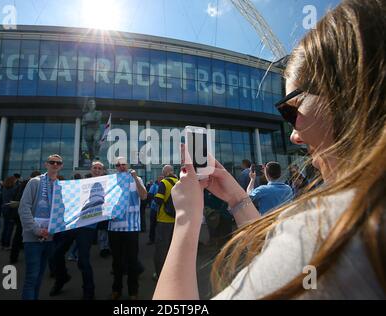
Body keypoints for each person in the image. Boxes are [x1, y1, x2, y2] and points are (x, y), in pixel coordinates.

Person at [153, 0, 386, 300]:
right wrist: (238, 199)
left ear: (347, 93)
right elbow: (275, 260)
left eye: (291, 110)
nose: (294, 136)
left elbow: (293, 259)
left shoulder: (331, 232)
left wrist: (187, 218)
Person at [50, 161, 105, 300]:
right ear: (91, 169)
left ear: (102, 171)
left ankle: (89, 291)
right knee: (56, 254)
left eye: (99, 168)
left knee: (83, 260)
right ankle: (62, 278)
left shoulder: (106, 184)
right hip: (73, 224)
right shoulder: (82, 183)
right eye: (95, 168)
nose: (97, 170)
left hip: (88, 227)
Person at [18, 154, 63, 300]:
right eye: (52, 162)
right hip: (33, 238)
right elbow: (24, 208)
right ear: (46, 164)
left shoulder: (60, 185)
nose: (55, 164)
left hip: (49, 238)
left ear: (61, 166)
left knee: (39, 278)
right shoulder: (35, 182)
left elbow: (62, 211)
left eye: (58, 163)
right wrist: (36, 230)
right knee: (31, 277)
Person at [108, 157, 147, 300]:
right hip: (114, 227)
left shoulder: (136, 179)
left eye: (123, 164)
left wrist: (136, 178)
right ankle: (116, 290)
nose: (121, 167)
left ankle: (133, 292)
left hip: (131, 227)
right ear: (115, 167)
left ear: (128, 165)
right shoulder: (110, 180)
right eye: (118, 165)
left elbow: (143, 196)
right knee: (116, 262)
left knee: (132, 261)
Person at [153, 165, 179, 281]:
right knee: (174, 248)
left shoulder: (164, 182)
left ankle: (160, 275)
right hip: (178, 220)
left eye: (163, 172)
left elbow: (158, 200)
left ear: (166, 173)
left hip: (164, 219)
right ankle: (174, 272)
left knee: (161, 249)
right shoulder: (179, 182)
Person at [9, 170, 41, 264]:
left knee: (18, 235)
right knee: (32, 236)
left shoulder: (21, 184)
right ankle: (32, 257)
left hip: (19, 212)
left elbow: (14, 197)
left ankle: (13, 257)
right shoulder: (34, 185)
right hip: (29, 213)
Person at [1, 176, 18, 250]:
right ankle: (7, 245)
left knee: (5, 228)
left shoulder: (4, 188)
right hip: (11, 209)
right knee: (9, 229)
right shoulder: (14, 189)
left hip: (4, 209)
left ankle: (3, 244)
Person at [147, 175, 163, 245]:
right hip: (154, 208)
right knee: (153, 225)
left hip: (162, 209)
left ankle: (160, 239)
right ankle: (151, 239)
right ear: (158, 178)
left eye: (162, 178)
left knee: (161, 225)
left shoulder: (164, 185)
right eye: (160, 177)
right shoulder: (154, 185)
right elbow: (150, 194)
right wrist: (156, 198)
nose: (161, 179)